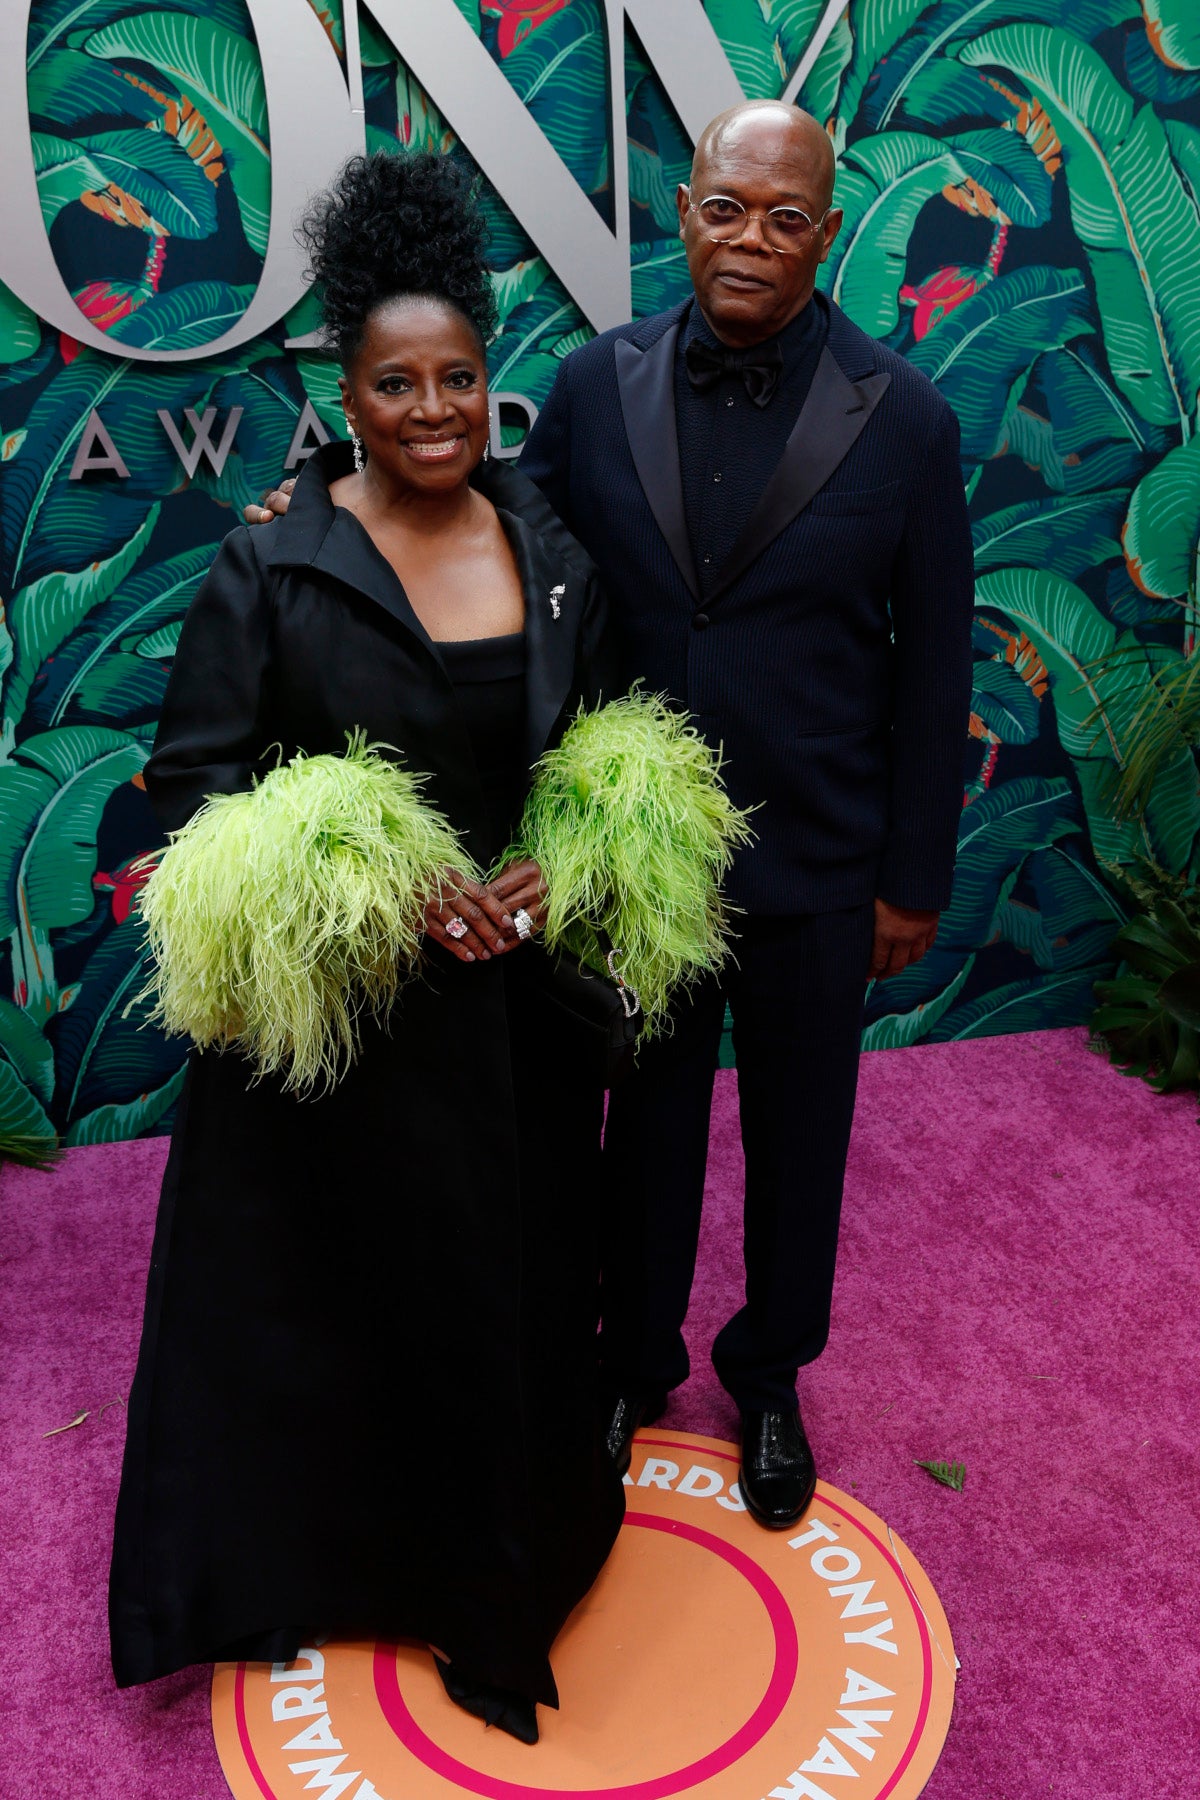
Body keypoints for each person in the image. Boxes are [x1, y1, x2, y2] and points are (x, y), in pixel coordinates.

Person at [250, 102, 975, 1532]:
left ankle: (768, 1374)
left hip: (820, 861)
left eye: (784, 216)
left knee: (802, 1132)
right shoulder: (595, 382)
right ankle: (627, 1367)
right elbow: (508, 542)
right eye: (724, 206)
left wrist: (913, 878)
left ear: (827, 232)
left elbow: (938, 658)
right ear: (686, 206)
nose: (749, 238)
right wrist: (331, 507)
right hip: (628, 864)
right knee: (636, 1132)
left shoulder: (908, 418)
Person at [110, 150, 625, 1745]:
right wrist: (379, 883)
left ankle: (485, 1599)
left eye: (455, 377)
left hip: (510, 1037)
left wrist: (561, 870)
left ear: (491, 382)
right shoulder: (271, 560)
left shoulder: (550, 554)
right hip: (332, 1042)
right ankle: (288, 1570)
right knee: (321, 1312)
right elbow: (192, 794)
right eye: (392, 383)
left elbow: (601, 764)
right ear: (344, 391)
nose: (428, 409)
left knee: (495, 1311)